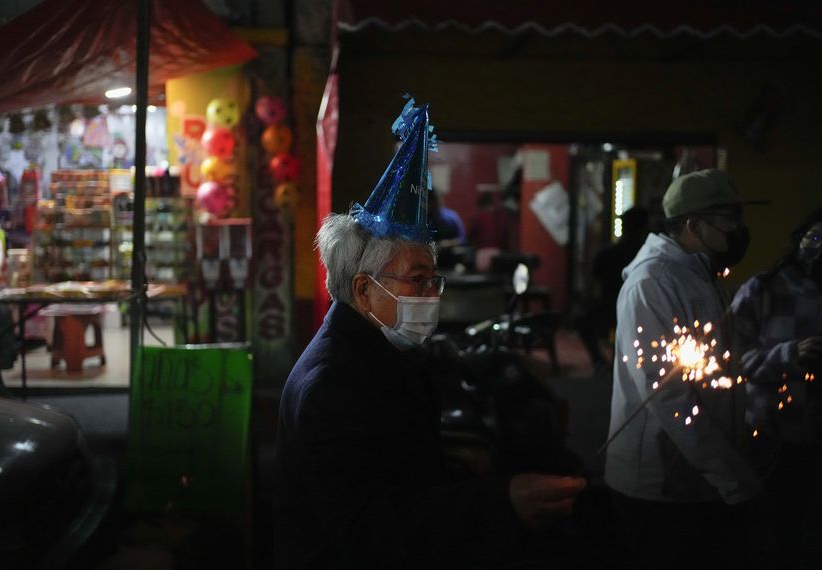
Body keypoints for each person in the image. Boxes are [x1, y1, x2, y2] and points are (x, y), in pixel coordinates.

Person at [275, 98, 586, 569]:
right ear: (364, 289)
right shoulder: (331, 387)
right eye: (417, 280)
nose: (431, 293)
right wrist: (500, 503)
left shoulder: (378, 350)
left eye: (432, 278)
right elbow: (372, 527)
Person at [604, 169, 765, 568]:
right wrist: (731, 477)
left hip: (699, 479)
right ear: (694, 225)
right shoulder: (654, 283)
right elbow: (670, 397)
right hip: (659, 485)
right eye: (729, 221)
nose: (739, 230)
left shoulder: (699, 271)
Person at [730, 207, 822, 567]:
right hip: (770, 433)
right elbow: (731, 359)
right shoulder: (764, 289)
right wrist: (789, 355)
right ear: (797, 241)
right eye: (814, 238)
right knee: (767, 531)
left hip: (815, 434)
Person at [576, 206, 650, 369]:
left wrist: (585, 301)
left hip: (610, 307)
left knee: (581, 319)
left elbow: (590, 285)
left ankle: (599, 361)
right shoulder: (647, 255)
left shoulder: (607, 253)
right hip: (640, 308)